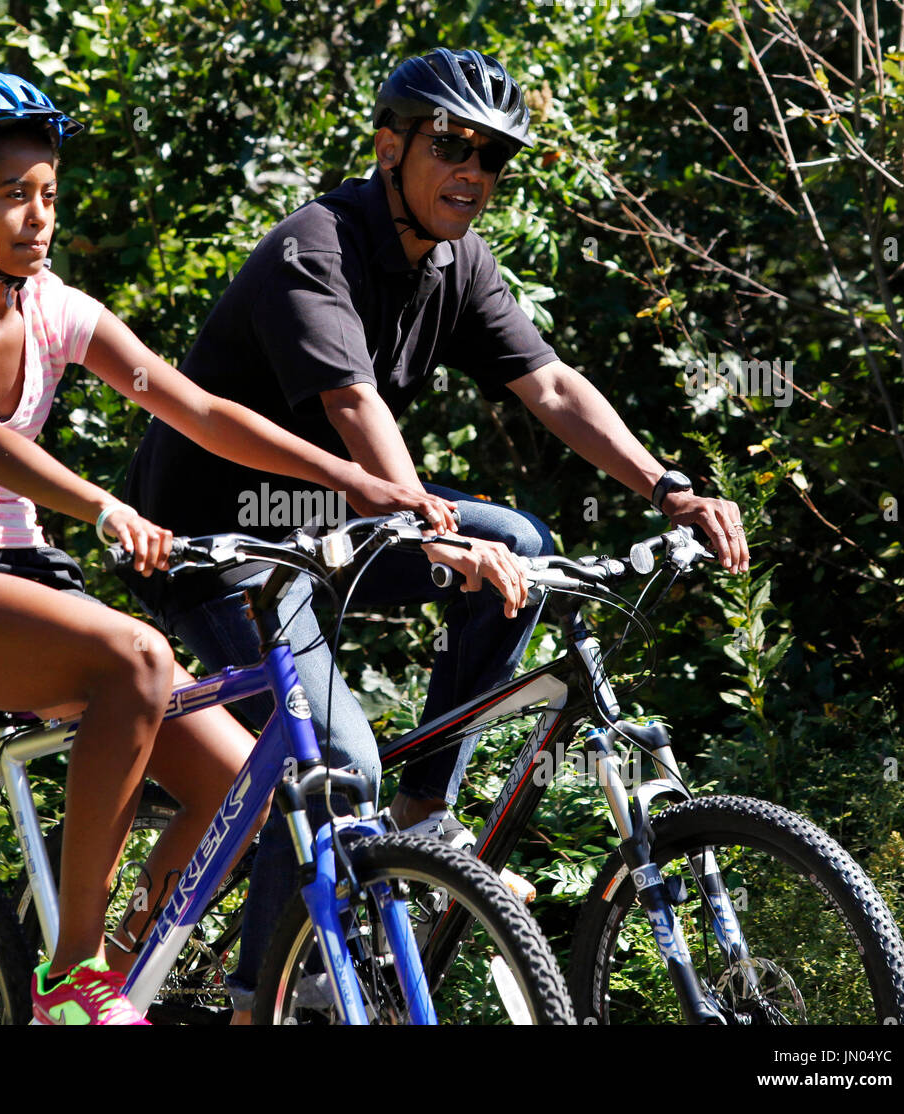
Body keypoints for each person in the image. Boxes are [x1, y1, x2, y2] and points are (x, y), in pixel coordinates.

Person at [119, 47, 751, 1021]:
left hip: (329, 523)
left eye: (494, 156)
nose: (475, 171)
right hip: (214, 542)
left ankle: (424, 812)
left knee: (525, 546)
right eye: (453, 145)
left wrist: (667, 487)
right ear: (388, 145)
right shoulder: (315, 247)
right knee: (326, 753)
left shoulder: (457, 262)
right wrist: (428, 529)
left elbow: (546, 386)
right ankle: (260, 998)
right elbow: (349, 401)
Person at [0, 70, 453, 1026]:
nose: (39, 219)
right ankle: (70, 976)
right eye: (13, 197)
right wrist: (104, 505)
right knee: (138, 652)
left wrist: (360, 482)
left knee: (242, 784)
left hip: (24, 580)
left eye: (47, 193)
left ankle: (112, 976)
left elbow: (198, 409)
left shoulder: (54, 308)